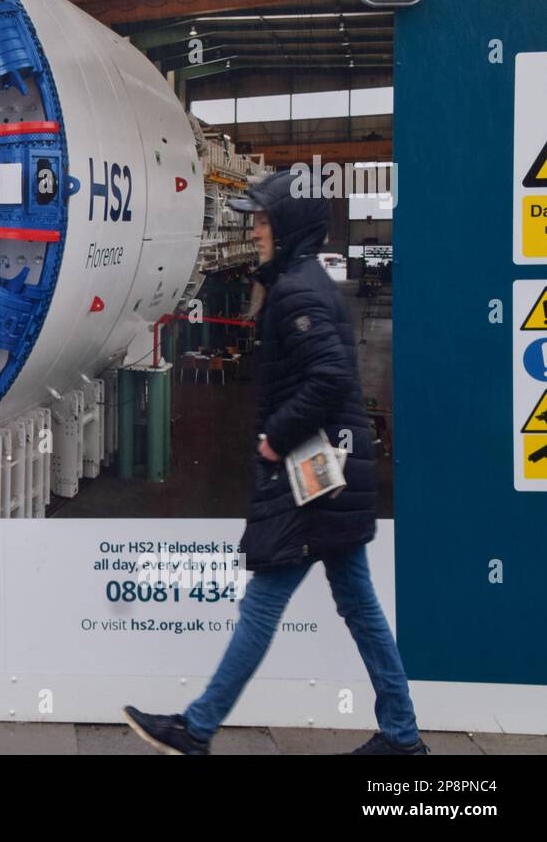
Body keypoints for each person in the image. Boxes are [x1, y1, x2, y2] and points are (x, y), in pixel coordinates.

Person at [123, 169, 427, 756]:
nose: (255, 230)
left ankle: (196, 728)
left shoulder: (295, 290)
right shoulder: (301, 281)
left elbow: (330, 377)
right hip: (332, 469)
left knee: (263, 603)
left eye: (264, 220)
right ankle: (402, 735)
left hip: (313, 472)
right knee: (359, 605)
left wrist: (275, 437)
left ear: (290, 225)